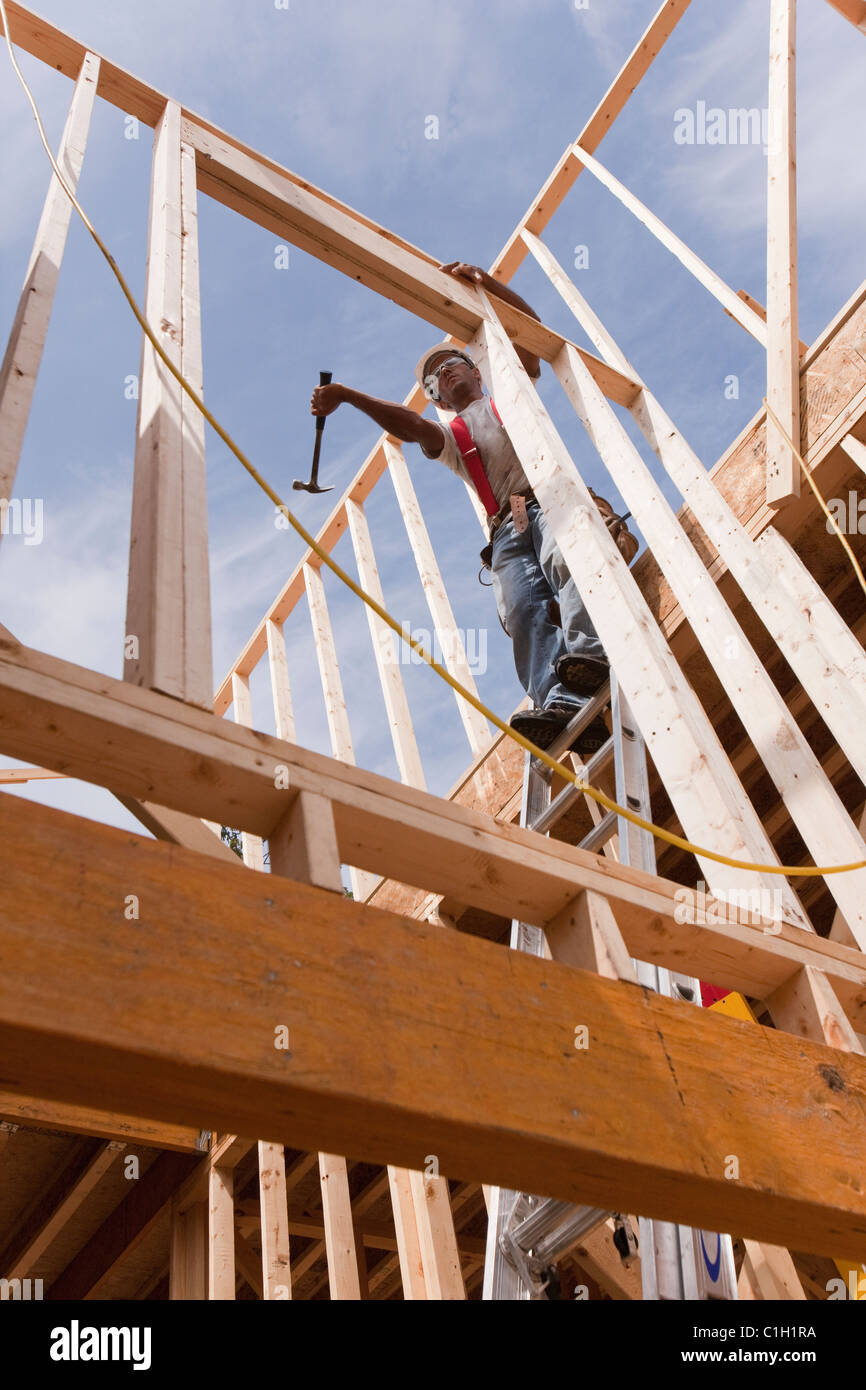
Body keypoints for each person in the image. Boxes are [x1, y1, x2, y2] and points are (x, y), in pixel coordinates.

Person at [310, 260, 621, 757]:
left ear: (475, 370)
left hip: (550, 501)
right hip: (507, 533)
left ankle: (588, 657)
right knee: (521, 611)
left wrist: (489, 286)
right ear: (437, 397)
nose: (444, 372)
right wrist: (346, 396)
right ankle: (559, 702)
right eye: (434, 377)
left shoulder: (512, 394)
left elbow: (530, 330)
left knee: (567, 563)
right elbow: (410, 427)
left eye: (451, 363)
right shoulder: (453, 436)